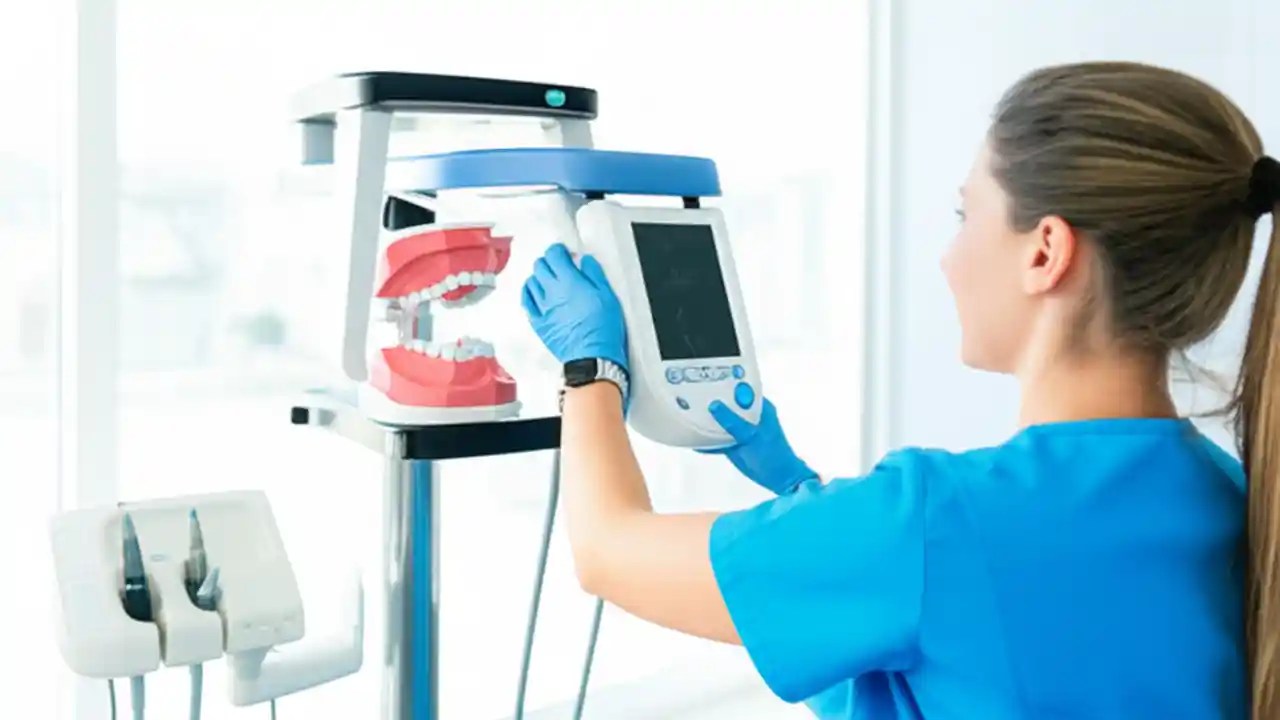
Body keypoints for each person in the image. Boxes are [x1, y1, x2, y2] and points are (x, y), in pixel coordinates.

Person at [519, 61, 1280, 719]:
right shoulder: (1232, 498)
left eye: (965, 213)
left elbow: (608, 551)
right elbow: (956, 663)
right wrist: (798, 489)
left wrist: (594, 370)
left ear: (1046, 251)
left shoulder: (931, 519)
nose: (949, 256)